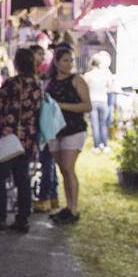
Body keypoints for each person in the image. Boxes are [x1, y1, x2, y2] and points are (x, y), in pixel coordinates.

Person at [0, 48, 43, 233]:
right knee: (22, 179)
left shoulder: (13, 83)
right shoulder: (37, 85)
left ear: (17, 63)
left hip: (10, 137)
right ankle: (22, 218)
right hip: (28, 139)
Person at [47, 44, 91, 225]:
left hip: (73, 129)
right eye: (65, 60)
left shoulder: (77, 81)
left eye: (71, 60)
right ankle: (68, 206)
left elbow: (87, 106)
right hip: (55, 130)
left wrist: (61, 105)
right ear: (56, 62)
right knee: (63, 170)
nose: (69, 64)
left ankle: (74, 208)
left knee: (68, 167)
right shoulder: (50, 81)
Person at [30, 43, 60, 213]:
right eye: (39, 55)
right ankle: (52, 195)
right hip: (44, 124)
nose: (42, 58)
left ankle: (45, 197)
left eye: (43, 55)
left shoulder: (44, 79)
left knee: (47, 160)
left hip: (45, 125)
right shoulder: (41, 78)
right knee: (48, 161)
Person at [84, 54, 113, 153]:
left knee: (95, 125)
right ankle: (105, 145)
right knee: (103, 124)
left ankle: (96, 146)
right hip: (103, 100)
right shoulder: (104, 74)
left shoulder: (88, 75)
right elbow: (110, 87)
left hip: (92, 101)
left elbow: (84, 88)